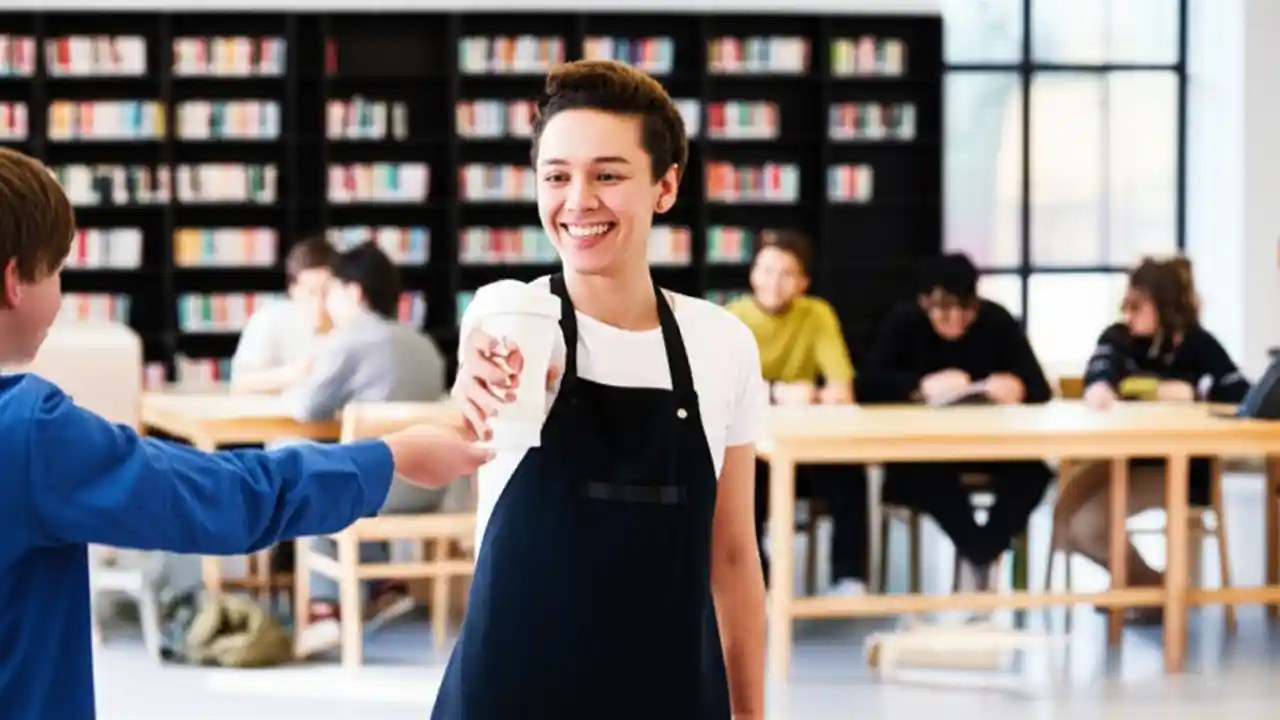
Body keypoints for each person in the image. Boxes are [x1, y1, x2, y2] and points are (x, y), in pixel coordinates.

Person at [0, 146, 494, 720]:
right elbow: (230, 496)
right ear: (15, 280)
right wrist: (388, 456)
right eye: (59, 269)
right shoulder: (28, 432)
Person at [436, 60, 766, 718]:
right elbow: (463, 428)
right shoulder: (511, 323)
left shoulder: (721, 343)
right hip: (511, 690)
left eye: (608, 175)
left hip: (668, 691)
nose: (578, 200)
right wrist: (467, 395)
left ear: (665, 187)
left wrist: (751, 714)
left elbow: (732, 555)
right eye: (557, 176)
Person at [286, 241, 459, 655]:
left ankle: (326, 609)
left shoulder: (350, 342)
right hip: (430, 491)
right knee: (357, 467)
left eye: (333, 293)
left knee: (307, 468)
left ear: (355, 293)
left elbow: (303, 407)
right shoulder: (425, 346)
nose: (328, 304)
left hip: (378, 489)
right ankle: (382, 587)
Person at [1054, 256, 1250, 603]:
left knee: (1086, 526)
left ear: (1164, 305)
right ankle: (1152, 587)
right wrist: (1100, 389)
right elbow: (1100, 373)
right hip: (1125, 460)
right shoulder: (1118, 338)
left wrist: (1193, 392)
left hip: (1183, 470)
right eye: (1124, 305)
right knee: (1063, 523)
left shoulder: (1200, 346)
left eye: (1136, 306)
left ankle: (1148, 594)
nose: (1127, 314)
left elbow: (1241, 396)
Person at [857, 252, 1054, 588]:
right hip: (923, 450)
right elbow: (866, 385)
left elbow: (1040, 388)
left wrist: (1017, 387)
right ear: (925, 303)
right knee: (924, 476)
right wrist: (919, 387)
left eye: (967, 310)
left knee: (1034, 474)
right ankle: (981, 552)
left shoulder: (995, 320)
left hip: (988, 446)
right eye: (945, 310)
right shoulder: (904, 322)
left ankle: (979, 551)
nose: (958, 320)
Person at [725, 229, 869, 597]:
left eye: (787, 273)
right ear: (753, 274)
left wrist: (816, 395)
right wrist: (779, 392)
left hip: (805, 445)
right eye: (767, 269)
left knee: (850, 473)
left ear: (803, 282)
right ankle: (760, 576)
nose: (775, 281)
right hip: (753, 447)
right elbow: (723, 391)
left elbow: (842, 389)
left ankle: (849, 576)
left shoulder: (817, 314)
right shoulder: (730, 318)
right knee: (741, 479)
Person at [228, 235, 336, 394]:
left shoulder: (352, 321)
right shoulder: (270, 318)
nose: (319, 304)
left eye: (327, 292)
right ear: (293, 290)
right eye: (311, 293)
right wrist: (295, 373)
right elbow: (240, 383)